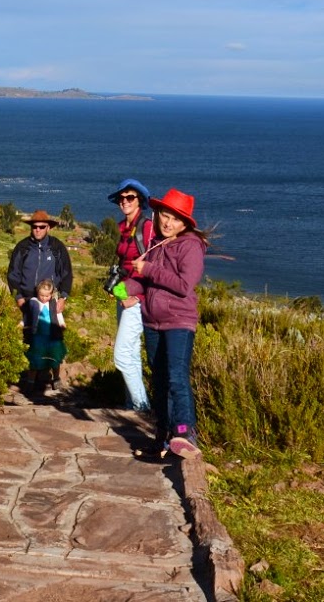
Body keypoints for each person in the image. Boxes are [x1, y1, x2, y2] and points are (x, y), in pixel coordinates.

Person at [138, 188, 208, 459]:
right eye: (164, 216)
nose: (168, 223)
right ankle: (164, 437)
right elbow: (143, 282)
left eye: (175, 219)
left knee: (177, 377)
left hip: (179, 322)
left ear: (185, 224)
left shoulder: (190, 246)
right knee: (159, 379)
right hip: (153, 322)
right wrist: (121, 291)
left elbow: (183, 285)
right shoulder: (157, 244)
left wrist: (149, 269)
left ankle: (185, 431)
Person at [7, 209, 72, 392]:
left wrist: (63, 297)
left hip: (51, 301)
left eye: (42, 227)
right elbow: (12, 275)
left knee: (54, 339)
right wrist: (18, 297)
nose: (37, 230)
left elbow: (66, 274)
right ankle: (30, 379)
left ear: (48, 228)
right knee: (31, 340)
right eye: (34, 227)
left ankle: (55, 377)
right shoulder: (22, 247)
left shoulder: (57, 248)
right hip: (29, 301)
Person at [107, 178, 153, 417]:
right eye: (121, 198)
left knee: (122, 354)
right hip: (124, 293)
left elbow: (154, 263)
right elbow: (124, 264)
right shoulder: (122, 228)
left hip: (137, 298)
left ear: (140, 201)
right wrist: (120, 290)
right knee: (132, 352)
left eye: (130, 197)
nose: (125, 202)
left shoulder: (146, 227)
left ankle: (141, 406)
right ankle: (131, 405)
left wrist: (138, 297)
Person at [25, 278, 68, 392]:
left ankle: (56, 379)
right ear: (37, 293)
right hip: (38, 337)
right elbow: (28, 316)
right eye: (42, 295)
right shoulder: (34, 302)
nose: (44, 298)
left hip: (52, 336)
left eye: (47, 296)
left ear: (51, 294)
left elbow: (58, 315)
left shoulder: (53, 303)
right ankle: (30, 382)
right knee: (35, 359)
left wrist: (62, 323)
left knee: (55, 359)